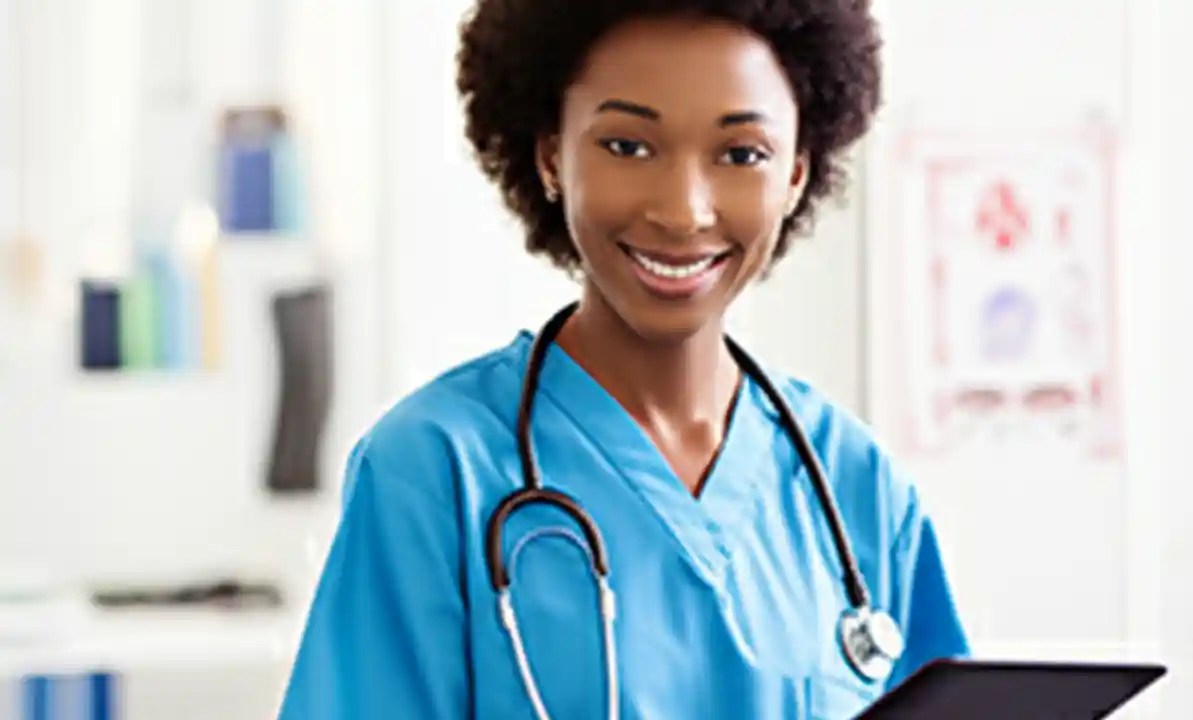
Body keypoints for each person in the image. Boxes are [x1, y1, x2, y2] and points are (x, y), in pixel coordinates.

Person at [278, 1, 969, 718]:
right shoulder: (433, 470)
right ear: (551, 155)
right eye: (628, 146)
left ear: (796, 174)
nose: (683, 211)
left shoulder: (856, 485)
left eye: (741, 155)